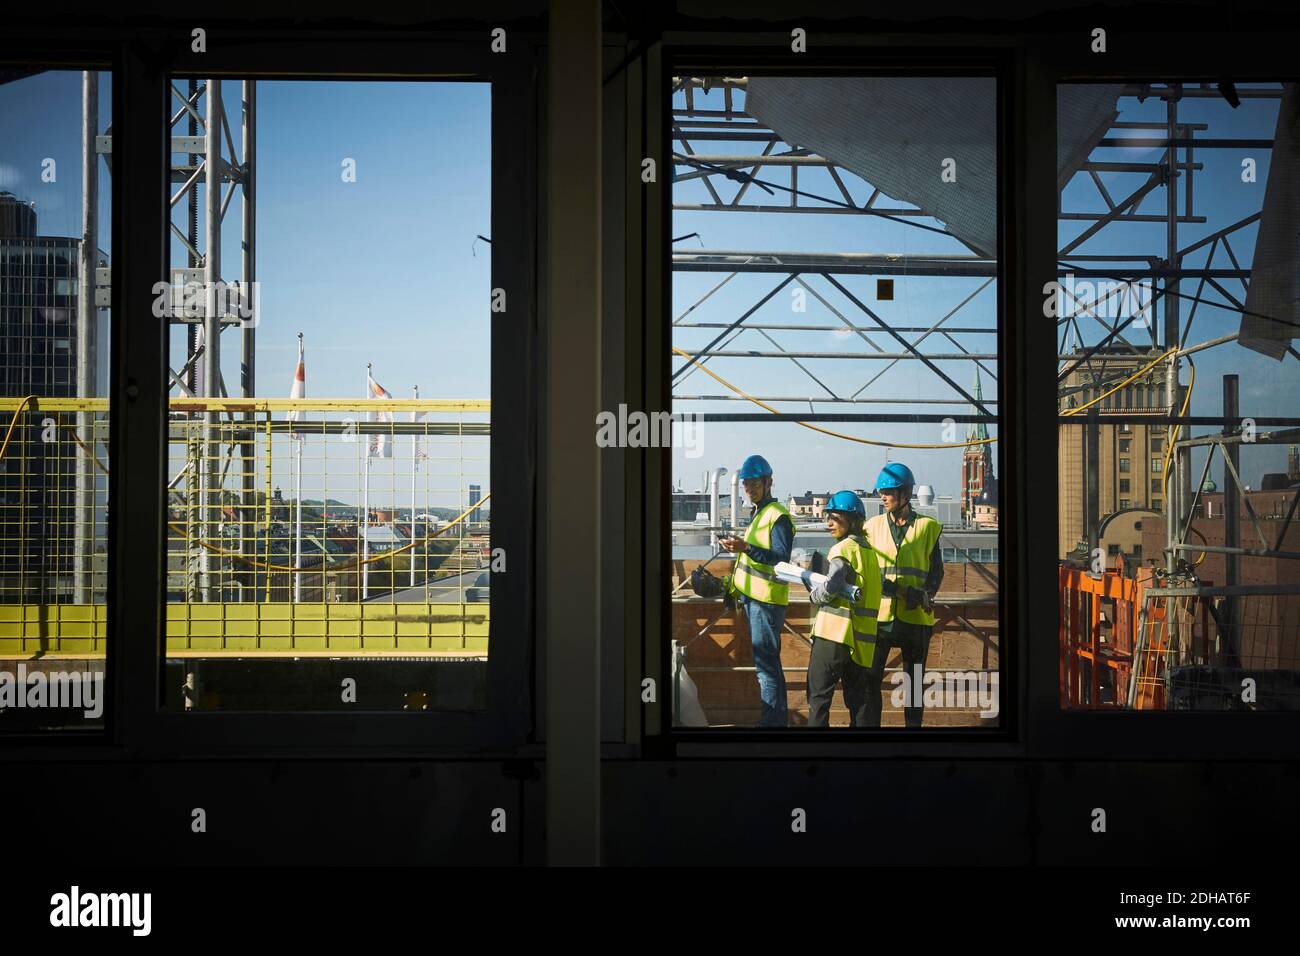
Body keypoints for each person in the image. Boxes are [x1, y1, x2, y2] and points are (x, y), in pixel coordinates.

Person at [863, 463, 944, 727]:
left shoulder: (927, 527)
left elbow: (936, 571)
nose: (882, 497)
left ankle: (912, 737)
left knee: (913, 685)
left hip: (916, 619)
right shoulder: (871, 527)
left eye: (888, 492)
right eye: (881, 492)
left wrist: (927, 593)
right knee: (870, 680)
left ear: (906, 494)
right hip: (881, 617)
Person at [719, 454, 794, 728]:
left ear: (769, 482)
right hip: (755, 600)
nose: (750, 489)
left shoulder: (778, 516)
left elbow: (780, 559)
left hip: (766, 603)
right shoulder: (759, 513)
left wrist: (746, 548)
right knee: (768, 666)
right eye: (747, 484)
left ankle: (771, 727)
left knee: (766, 669)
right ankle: (777, 723)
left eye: (754, 484)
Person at [806, 491, 882, 727]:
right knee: (858, 702)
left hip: (834, 635)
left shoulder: (844, 548)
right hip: (860, 643)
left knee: (818, 698)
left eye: (835, 518)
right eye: (828, 516)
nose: (829, 522)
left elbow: (836, 578)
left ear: (852, 521)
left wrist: (816, 595)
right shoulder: (869, 552)